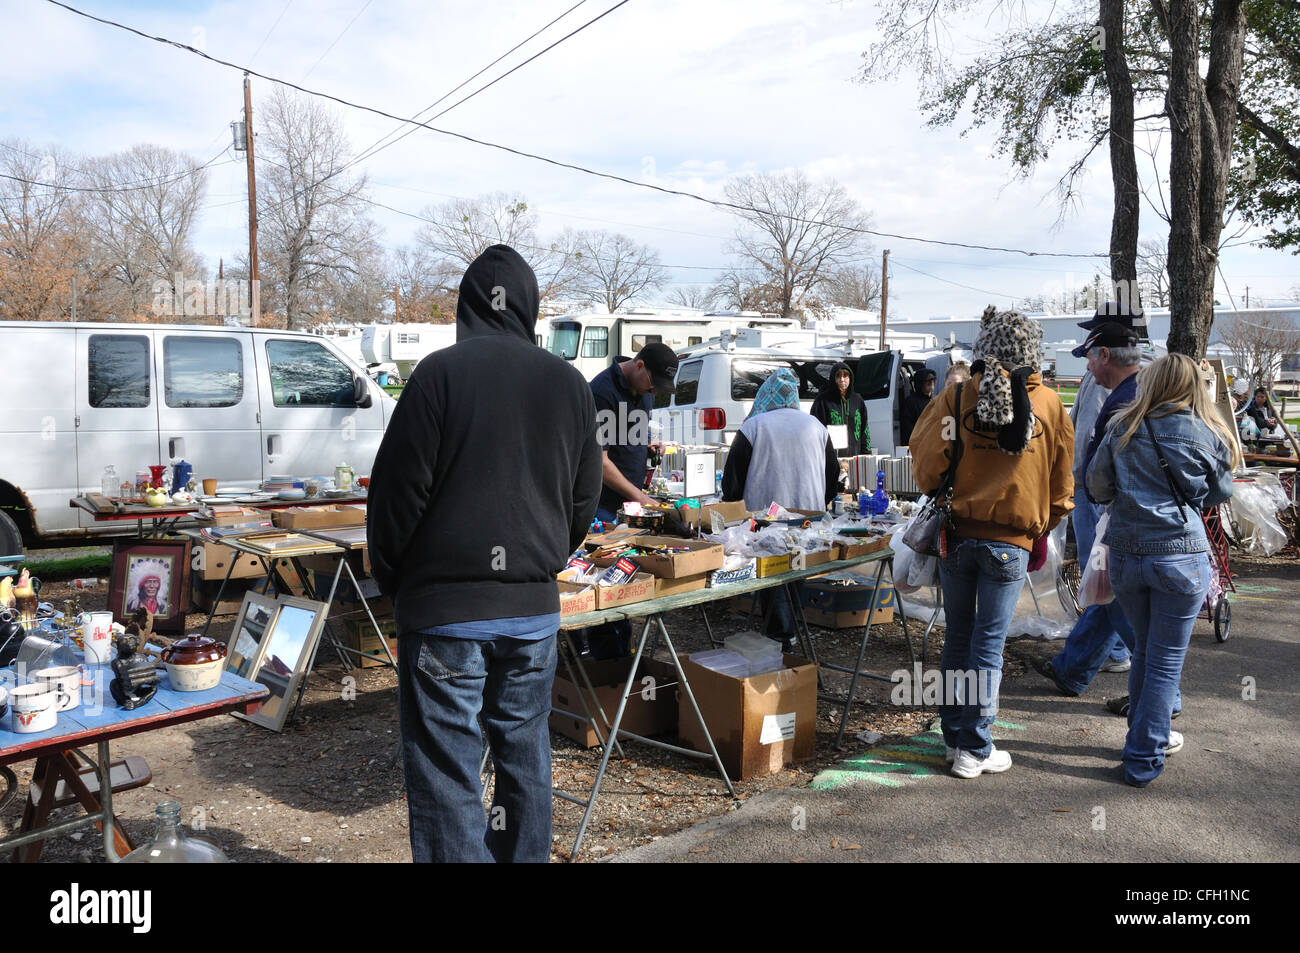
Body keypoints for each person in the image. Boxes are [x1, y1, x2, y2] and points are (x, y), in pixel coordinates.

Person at [367, 244, 603, 863]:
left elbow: (396, 498)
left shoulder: (439, 375)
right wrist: (544, 556)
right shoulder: (570, 384)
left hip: (445, 611)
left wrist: (394, 582)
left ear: (467, 307)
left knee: (449, 770)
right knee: (524, 750)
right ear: (527, 309)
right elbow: (583, 502)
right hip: (531, 611)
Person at [911, 306, 1073, 779]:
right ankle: (976, 748)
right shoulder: (1049, 404)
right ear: (1034, 350)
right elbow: (1063, 486)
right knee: (988, 643)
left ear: (984, 346)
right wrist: (1042, 525)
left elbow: (925, 468)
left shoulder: (955, 397)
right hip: (1011, 541)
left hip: (956, 536)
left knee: (958, 636)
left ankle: (956, 737)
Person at [1086, 353, 1239, 787]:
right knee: (1164, 661)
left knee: (1146, 654)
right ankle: (1142, 757)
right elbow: (1219, 492)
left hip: (1128, 554)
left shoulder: (1122, 425)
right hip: (1181, 556)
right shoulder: (1208, 431)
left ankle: (1142, 743)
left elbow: (1096, 485)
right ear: (1194, 385)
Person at [1038, 320, 1145, 697]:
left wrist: (1078, 481)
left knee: (1106, 588)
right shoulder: (1118, 388)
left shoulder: (1121, 395)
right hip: (1101, 498)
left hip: (1102, 501)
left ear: (1105, 354)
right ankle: (1076, 666)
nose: (1085, 365)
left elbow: (1092, 447)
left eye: (1089, 355)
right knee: (1101, 586)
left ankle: (1159, 687)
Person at [722, 369, 839, 650]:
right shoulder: (816, 426)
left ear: (765, 395)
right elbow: (833, 476)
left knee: (773, 574)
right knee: (796, 569)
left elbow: (732, 480)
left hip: (765, 518)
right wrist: (817, 504)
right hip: (808, 518)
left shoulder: (754, 426)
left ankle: (781, 637)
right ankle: (787, 631)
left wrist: (734, 512)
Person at [582, 342, 679, 659]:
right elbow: (599, 461)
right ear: (639, 366)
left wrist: (648, 442)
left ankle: (621, 653)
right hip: (603, 502)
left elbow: (631, 431)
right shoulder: (602, 392)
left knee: (630, 573)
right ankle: (604, 661)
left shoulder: (646, 391)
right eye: (652, 383)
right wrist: (639, 496)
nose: (654, 390)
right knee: (605, 577)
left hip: (630, 502)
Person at [809, 361, 870, 458]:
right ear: (833, 378)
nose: (842, 379)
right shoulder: (823, 401)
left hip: (854, 457)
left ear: (850, 378)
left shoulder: (858, 400)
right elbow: (815, 430)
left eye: (845, 376)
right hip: (831, 458)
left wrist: (866, 453)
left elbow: (864, 429)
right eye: (838, 376)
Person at [899, 368, 937, 446]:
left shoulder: (936, 400)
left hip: (934, 443)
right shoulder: (911, 402)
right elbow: (908, 427)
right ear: (920, 384)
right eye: (928, 381)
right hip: (919, 444)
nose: (931, 383)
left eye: (932, 380)